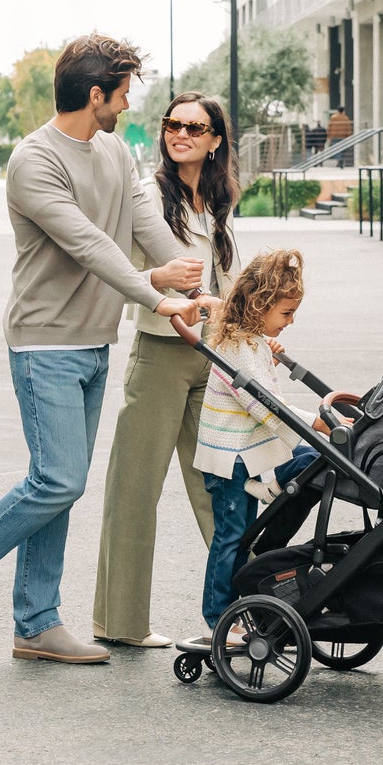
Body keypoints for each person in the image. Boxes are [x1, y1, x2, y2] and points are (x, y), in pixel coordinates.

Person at [0, 35, 214, 665]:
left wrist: (200, 290)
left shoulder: (112, 151)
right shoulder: (34, 162)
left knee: (58, 484)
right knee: (58, 478)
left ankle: (37, 623)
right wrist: (154, 297)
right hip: (44, 342)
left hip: (93, 342)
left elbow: (145, 228)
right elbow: (88, 244)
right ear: (95, 94)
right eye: (124, 92)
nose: (129, 105)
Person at [91, 92, 240, 649]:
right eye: (173, 125)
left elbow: (228, 278)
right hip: (160, 353)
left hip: (213, 357)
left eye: (194, 128)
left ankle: (243, 611)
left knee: (220, 487)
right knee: (135, 489)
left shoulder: (219, 199)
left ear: (215, 140)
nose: (180, 135)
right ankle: (119, 622)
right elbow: (137, 265)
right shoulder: (151, 193)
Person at [193, 249, 324, 638]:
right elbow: (265, 405)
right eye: (285, 313)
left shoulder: (250, 342)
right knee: (232, 535)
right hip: (233, 461)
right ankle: (220, 616)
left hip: (253, 454)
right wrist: (317, 423)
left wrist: (265, 345)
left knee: (313, 462)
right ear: (259, 305)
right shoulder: (236, 349)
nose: (291, 321)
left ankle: (266, 559)